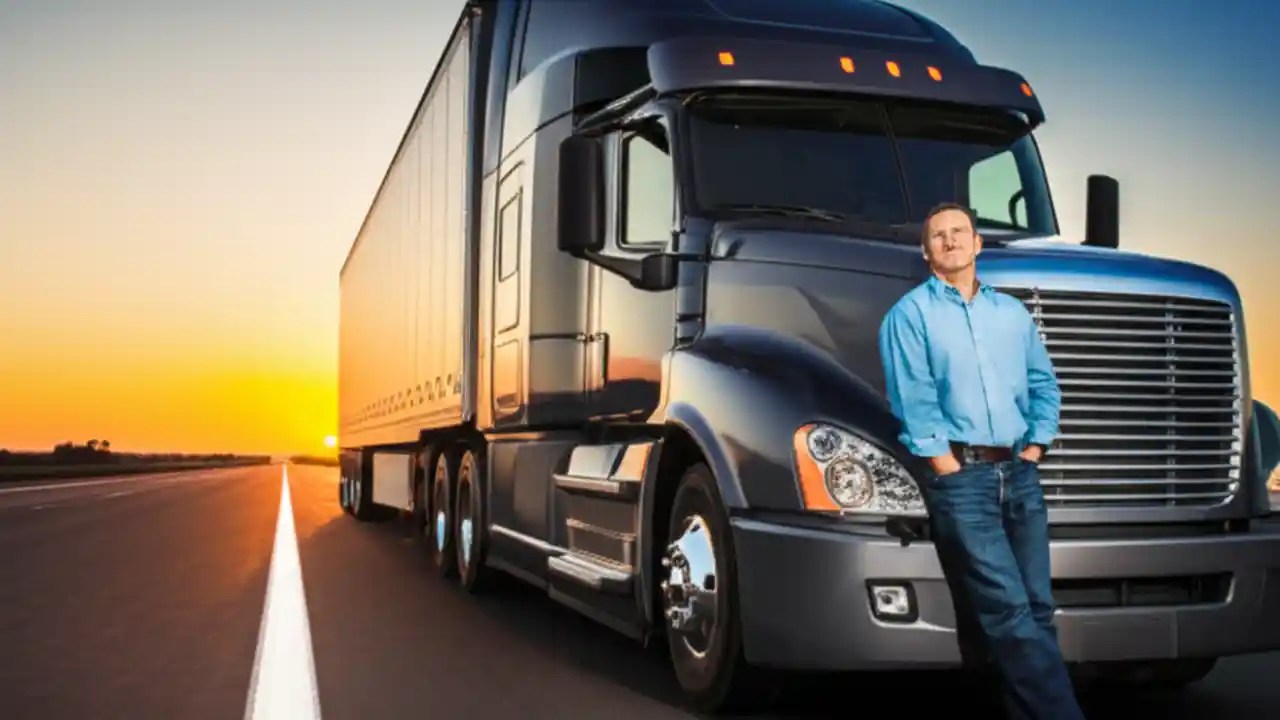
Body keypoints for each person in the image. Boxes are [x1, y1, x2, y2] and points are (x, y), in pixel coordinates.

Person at [877, 202, 1085, 720]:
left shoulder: (1011, 314)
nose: (950, 241)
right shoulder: (909, 316)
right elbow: (915, 401)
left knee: (1032, 611)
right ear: (926, 252)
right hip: (962, 481)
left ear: (978, 244)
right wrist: (948, 468)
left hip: (1019, 473)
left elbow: (1043, 384)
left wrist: (1035, 448)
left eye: (959, 232)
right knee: (1009, 613)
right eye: (938, 236)